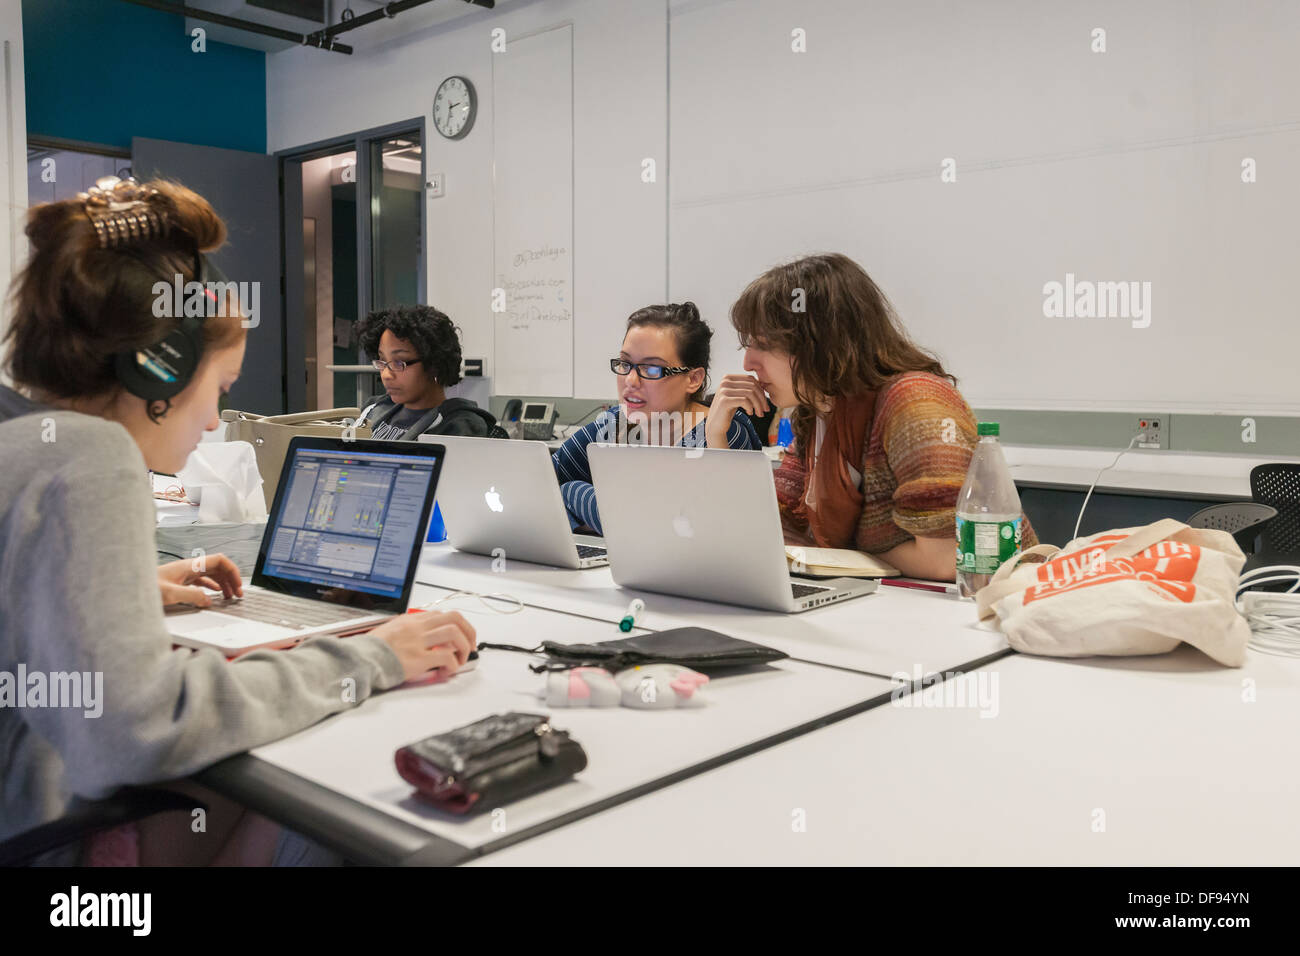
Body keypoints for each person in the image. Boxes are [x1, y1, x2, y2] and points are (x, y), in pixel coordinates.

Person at [0, 177, 476, 865]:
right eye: (219, 389)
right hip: (53, 848)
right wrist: (374, 655)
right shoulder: (90, 453)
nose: (217, 421)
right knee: (340, 804)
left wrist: (134, 586)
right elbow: (135, 731)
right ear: (158, 369)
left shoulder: (25, 436)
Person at [715, 252, 1038, 581]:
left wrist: (845, 556)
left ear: (820, 343)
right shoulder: (820, 411)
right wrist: (717, 438)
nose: (748, 364)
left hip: (976, 610)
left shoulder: (917, 402)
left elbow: (947, 559)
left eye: (765, 345)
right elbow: (773, 526)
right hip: (898, 604)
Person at [552, 302, 762, 534]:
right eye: (625, 364)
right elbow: (539, 486)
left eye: (652, 369)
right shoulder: (615, 425)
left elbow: (691, 530)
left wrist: (573, 496)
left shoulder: (722, 433)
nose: (631, 381)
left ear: (693, 379)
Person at [354, 304, 502, 440]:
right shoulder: (373, 410)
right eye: (382, 361)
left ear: (433, 364)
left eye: (399, 362)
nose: (386, 375)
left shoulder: (459, 428)